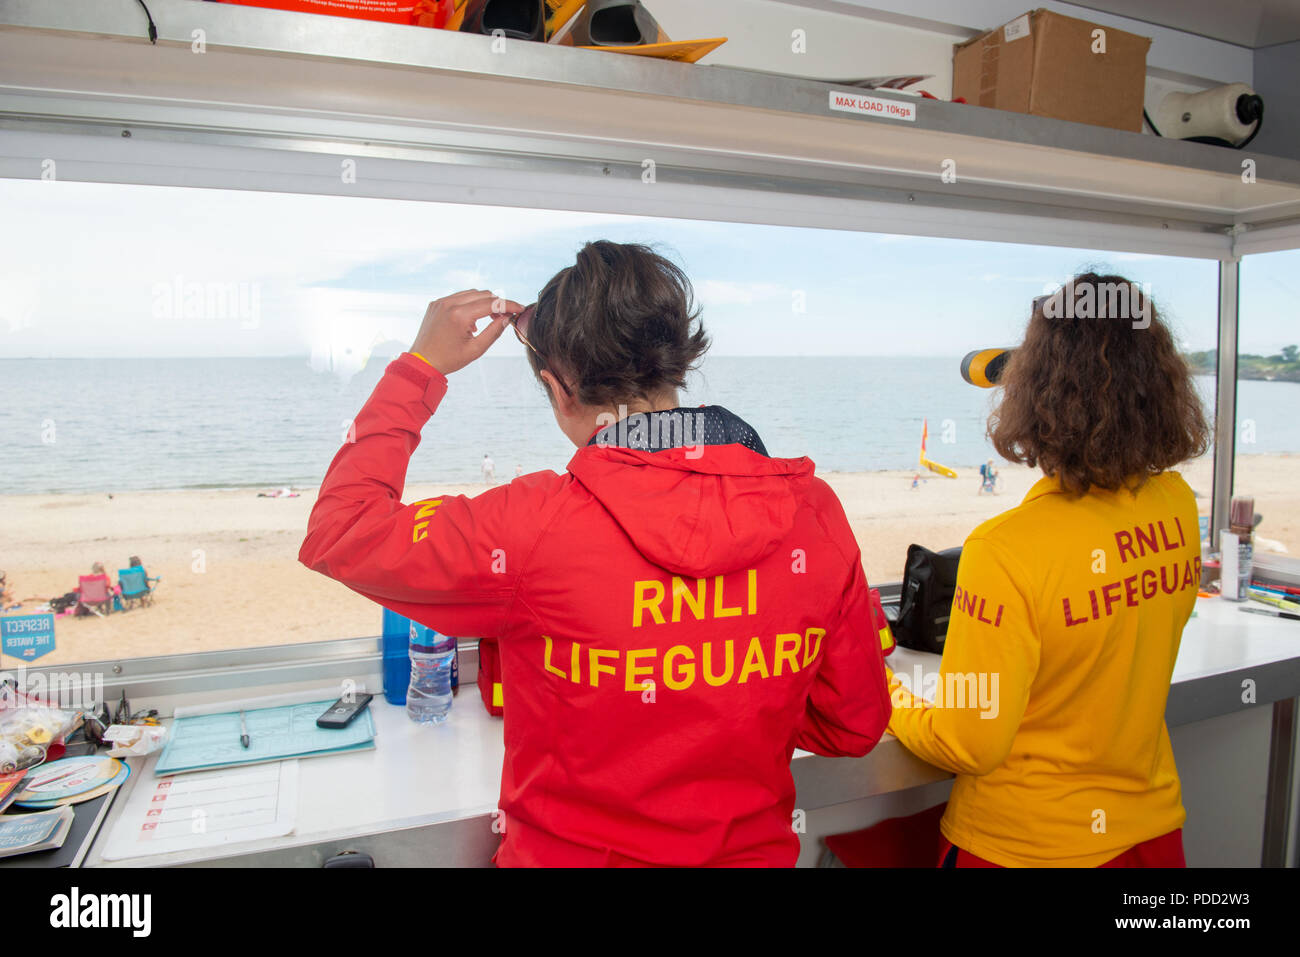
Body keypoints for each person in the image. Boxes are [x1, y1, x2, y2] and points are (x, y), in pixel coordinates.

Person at [300, 240, 892, 867]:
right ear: (675, 368)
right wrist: (728, 700)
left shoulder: (531, 527)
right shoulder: (812, 510)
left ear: (558, 390)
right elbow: (852, 725)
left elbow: (342, 528)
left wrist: (421, 368)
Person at [887, 272, 1210, 867]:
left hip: (1025, 847)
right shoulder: (1179, 506)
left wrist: (889, 694)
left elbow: (968, 740)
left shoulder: (1006, 549)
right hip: (1149, 836)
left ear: (1031, 397)